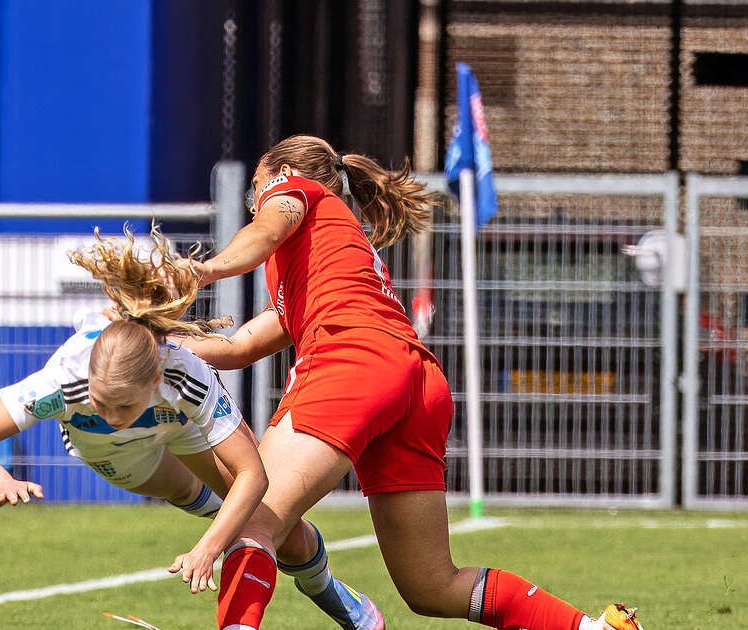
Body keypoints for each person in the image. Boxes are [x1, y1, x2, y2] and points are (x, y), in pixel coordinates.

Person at [180, 134, 643, 630]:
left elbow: (264, 234)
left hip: (354, 363)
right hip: (416, 382)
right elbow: (239, 346)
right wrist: (158, 345)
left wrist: (199, 270)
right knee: (431, 586)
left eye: (256, 185)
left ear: (278, 173)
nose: (256, 200)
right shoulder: (323, 252)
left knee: (253, 521)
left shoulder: (293, 188)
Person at [0, 225, 381, 620]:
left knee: (261, 518)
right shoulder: (63, 380)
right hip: (120, 459)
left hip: (178, 427)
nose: (111, 418)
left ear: (153, 380)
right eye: (101, 404)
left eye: (123, 409)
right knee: (233, 513)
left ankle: (338, 601)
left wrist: (209, 546)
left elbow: (253, 473)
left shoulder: (183, 374)